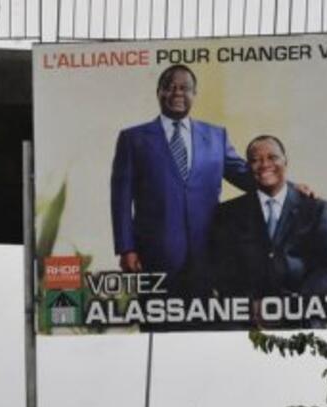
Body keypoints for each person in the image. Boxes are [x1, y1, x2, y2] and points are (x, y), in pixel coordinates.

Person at [110, 64, 258, 296]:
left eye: (185, 88)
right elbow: (120, 198)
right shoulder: (133, 139)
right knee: (156, 325)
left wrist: (289, 187)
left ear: (194, 94)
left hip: (208, 254)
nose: (178, 93)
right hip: (154, 255)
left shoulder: (216, 136)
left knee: (204, 326)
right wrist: (126, 248)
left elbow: (245, 176)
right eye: (170, 87)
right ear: (158, 92)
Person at [211, 135, 327, 327]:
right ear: (248, 167)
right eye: (255, 160)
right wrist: (250, 306)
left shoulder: (314, 209)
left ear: (285, 161)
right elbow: (221, 270)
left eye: (272, 157)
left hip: (302, 317)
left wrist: (295, 305)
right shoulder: (229, 213)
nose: (264, 164)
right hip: (247, 321)